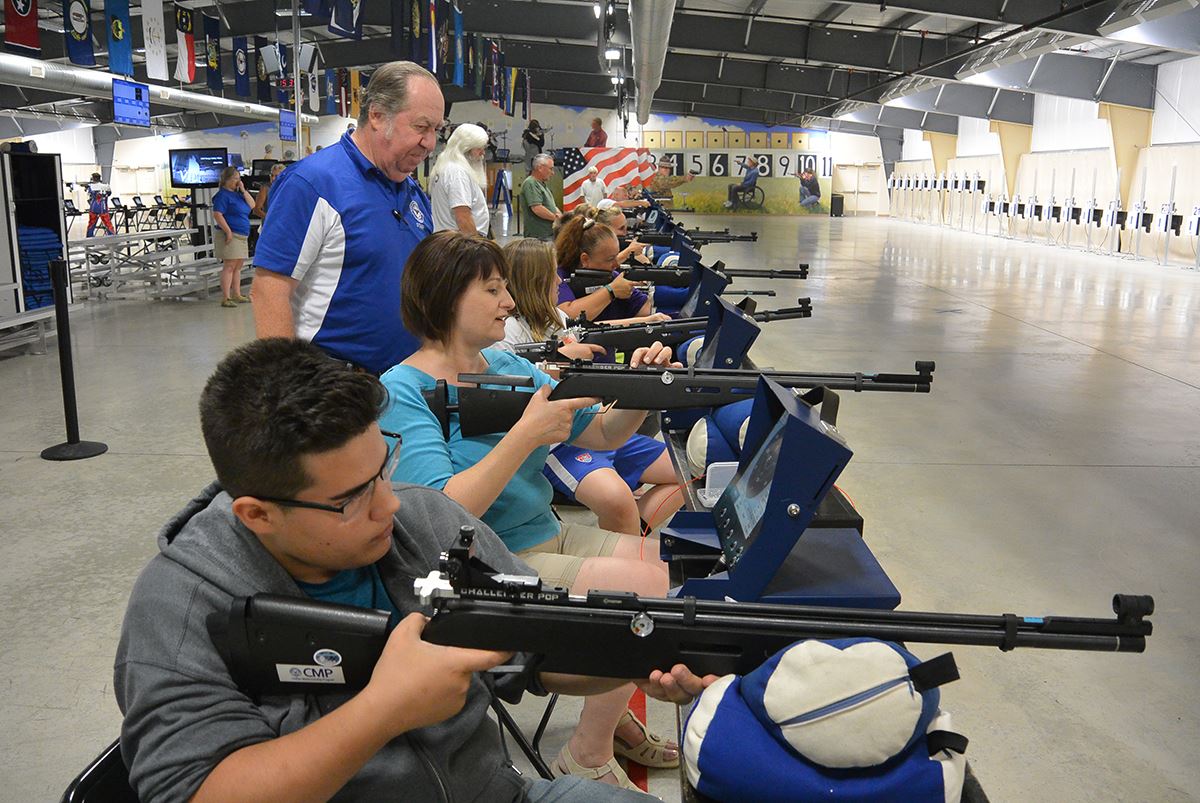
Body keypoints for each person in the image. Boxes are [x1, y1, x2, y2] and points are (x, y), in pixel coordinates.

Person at [114, 336, 715, 801]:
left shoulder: (423, 522)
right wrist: (385, 709)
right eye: (353, 497)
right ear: (257, 514)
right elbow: (193, 792)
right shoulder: (181, 606)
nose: (391, 503)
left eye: (385, 467)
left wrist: (634, 657)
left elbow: (535, 651)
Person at [380, 232, 685, 789]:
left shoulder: (499, 361)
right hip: (485, 564)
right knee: (646, 599)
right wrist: (523, 436)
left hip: (547, 532)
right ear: (447, 297)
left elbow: (600, 431)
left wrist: (642, 390)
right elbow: (443, 514)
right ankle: (588, 753)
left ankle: (609, 724)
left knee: (672, 579)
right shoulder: (401, 389)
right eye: (492, 289)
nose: (510, 302)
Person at [251, 61, 442, 374]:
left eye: (436, 130)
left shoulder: (412, 193)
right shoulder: (312, 184)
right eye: (422, 127)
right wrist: (284, 387)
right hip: (336, 390)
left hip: (405, 382)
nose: (430, 143)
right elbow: (269, 289)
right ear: (378, 116)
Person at [500, 238, 684, 535]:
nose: (559, 280)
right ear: (534, 281)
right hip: (557, 442)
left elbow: (591, 333)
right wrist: (558, 360)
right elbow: (512, 394)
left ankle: (630, 527)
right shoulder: (507, 331)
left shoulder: (552, 316)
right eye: (551, 274)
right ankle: (624, 539)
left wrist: (647, 321)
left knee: (688, 473)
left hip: (592, 422)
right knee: (616, 499)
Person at [556, 217, 656, 324]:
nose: (616, 264)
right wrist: (610, 292)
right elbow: (566, 316)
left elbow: (644, 308)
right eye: (610, 259)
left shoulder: (610, 276)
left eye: (616, 256)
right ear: (585, 259)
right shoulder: (558, 277)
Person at [429, 122, 491, 237]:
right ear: (465, 148)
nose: (482, 153)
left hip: (450, 240)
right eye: (479, 148)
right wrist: (477, 246)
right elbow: (463, 216)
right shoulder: (457, 173)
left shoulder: (445, 166)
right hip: (462, 244)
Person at [211, 166, 255, 308]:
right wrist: (228, 231)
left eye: (239, 178)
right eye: (235, 178)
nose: (238, 181)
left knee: (238, 266)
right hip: (231, 235)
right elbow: (218, 214)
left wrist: (243, 189)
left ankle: (237, 293)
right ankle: (226, 297)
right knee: (229, 265)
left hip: (242, 235)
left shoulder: (237, 194)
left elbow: (252, 205)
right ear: (227, 180)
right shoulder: (222, 196)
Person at [520, 153, 561, 241]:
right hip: (539, 236)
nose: (553, 173)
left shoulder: (541, 184)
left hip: (548, 234)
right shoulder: (531, 183)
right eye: (551, 169)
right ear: (540, 168)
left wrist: (562, 218)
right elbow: (537, 208)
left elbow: (552, 206)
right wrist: (556, 219)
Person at [85, 172, 115, 237]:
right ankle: (112, 236)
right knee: (108, 223)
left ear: (93, 179)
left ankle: (89, 238)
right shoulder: (106, 186)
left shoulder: (91, 187)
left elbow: (89, 195)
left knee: (91, 224)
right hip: (103, 207)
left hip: (94, 208)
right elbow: (109, 194)